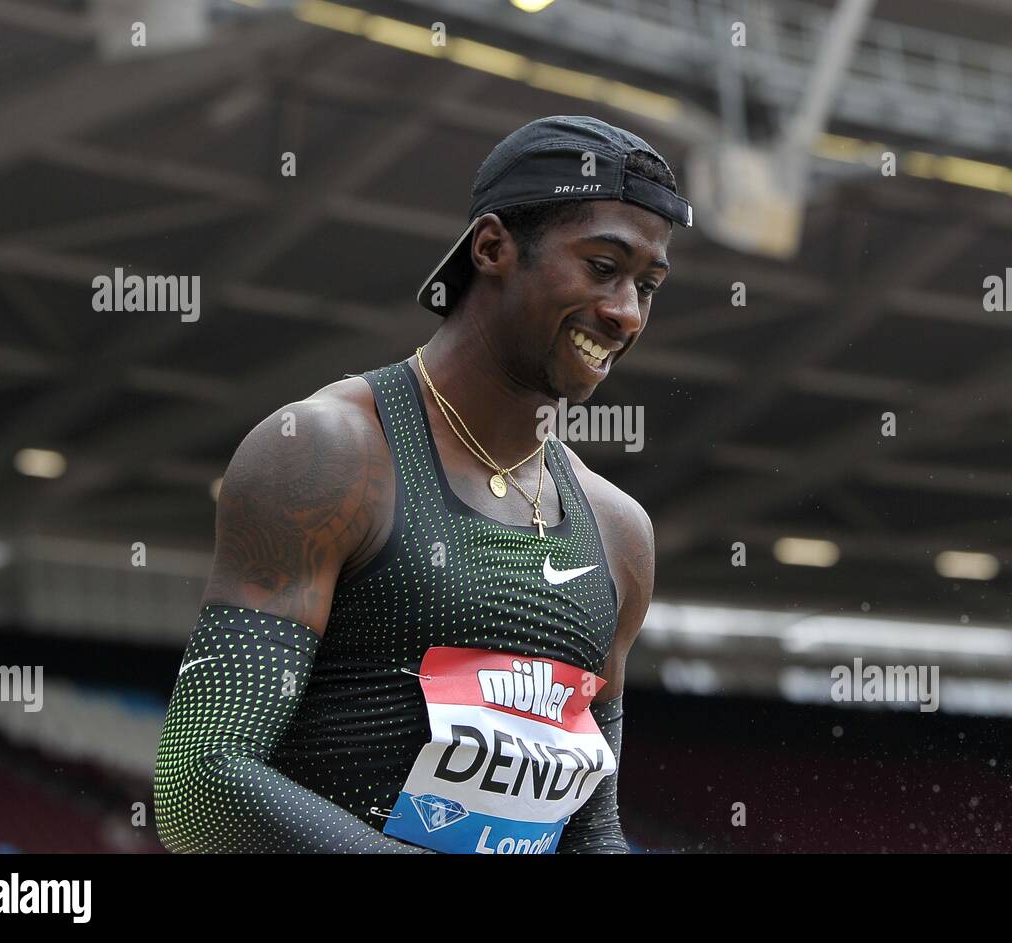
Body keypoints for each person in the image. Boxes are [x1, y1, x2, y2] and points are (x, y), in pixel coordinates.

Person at [153, 115, 691, 853]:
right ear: (493, 247)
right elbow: (198, 785)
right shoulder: (328, 454)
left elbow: (591, 829)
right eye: (603, 266)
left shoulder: (618, 533)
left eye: (648, 286)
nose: (626, 312)